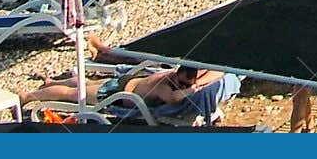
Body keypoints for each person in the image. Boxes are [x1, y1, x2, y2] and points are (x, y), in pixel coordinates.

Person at [21, 63, 224, 113]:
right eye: (182, 83)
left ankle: (50, 82)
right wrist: (191, 88)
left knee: (85, 83)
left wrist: (197, 82)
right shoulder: (166, 85)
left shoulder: (176, 73)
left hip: (128, 82)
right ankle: (29, 96)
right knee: (73, 94)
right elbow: (174, 98)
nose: (182, 86)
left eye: (186, 84)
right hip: (116, 93)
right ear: (177, 76)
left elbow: (219, 71)